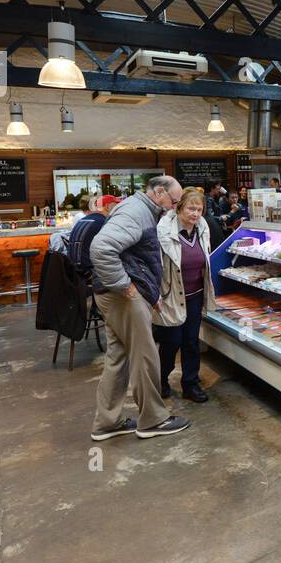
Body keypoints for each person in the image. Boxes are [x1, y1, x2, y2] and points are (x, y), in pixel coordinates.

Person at [89, 176, 191, 441]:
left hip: (117, 295)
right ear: (159, 192)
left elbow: (136, 256)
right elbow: (101, 248)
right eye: (173, 200)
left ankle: (107, 422)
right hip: (121, 296)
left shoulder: (142, 209)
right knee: (145, 356)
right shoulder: (136, 211)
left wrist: (149, 293)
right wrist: (126, 287)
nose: (173, 206)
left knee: (118, 359)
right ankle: (153, 420)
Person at [153, 187, 216, 402]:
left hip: (195, 295)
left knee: (191, 341)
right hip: (171, 296)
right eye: (191, 208)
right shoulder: (164, 232)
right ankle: (161, 379)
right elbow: (156, 264)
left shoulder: (202, 229)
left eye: (199, 209)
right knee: (171, 341)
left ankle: (190, 384)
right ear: (179, 208)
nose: (195, 213)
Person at [66, 194, 121, 275]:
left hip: (73, 271)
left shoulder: (82, 220)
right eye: (116, 206)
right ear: (107, 207)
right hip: (89, 274)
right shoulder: (103, 222)